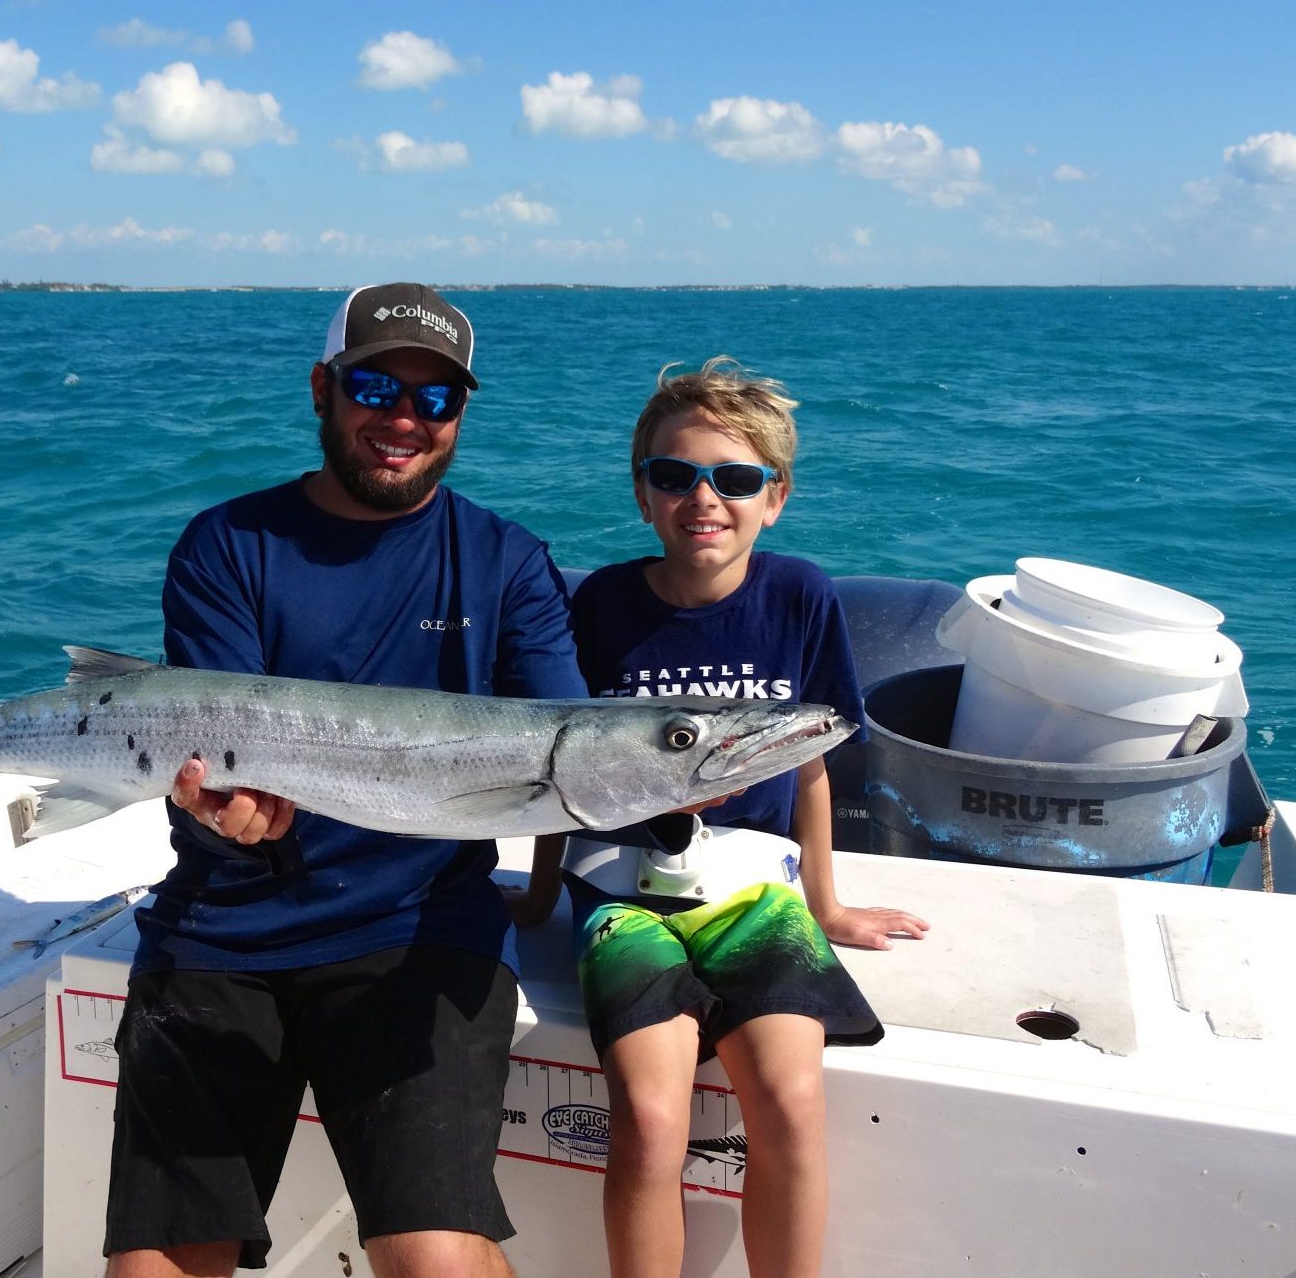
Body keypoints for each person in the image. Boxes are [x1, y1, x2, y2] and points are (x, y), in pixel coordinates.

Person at [103, 283, 588, 1278]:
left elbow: (569, 743)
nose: (403, 418)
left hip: (419, 928)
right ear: (322, 388)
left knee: (436, 1257)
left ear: (459, 415)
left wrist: (673, 786)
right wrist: (222, 816)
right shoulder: (228, 545)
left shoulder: (506, 562)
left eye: (434, 398)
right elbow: (218, 752)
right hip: (223, 925)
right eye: (375, 387)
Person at [509, 357, 929, 1278]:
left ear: (774, 498)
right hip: (622, 895)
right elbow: (560, 773)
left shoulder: (801, 596)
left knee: (789, 1103)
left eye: (734, 478)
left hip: (756, 896)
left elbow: (811, 765)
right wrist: (539, 898)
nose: (704, 499)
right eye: (675, 475)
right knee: (649, 1117)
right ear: (643, 494)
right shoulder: (600, 605)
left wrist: (826, 905)